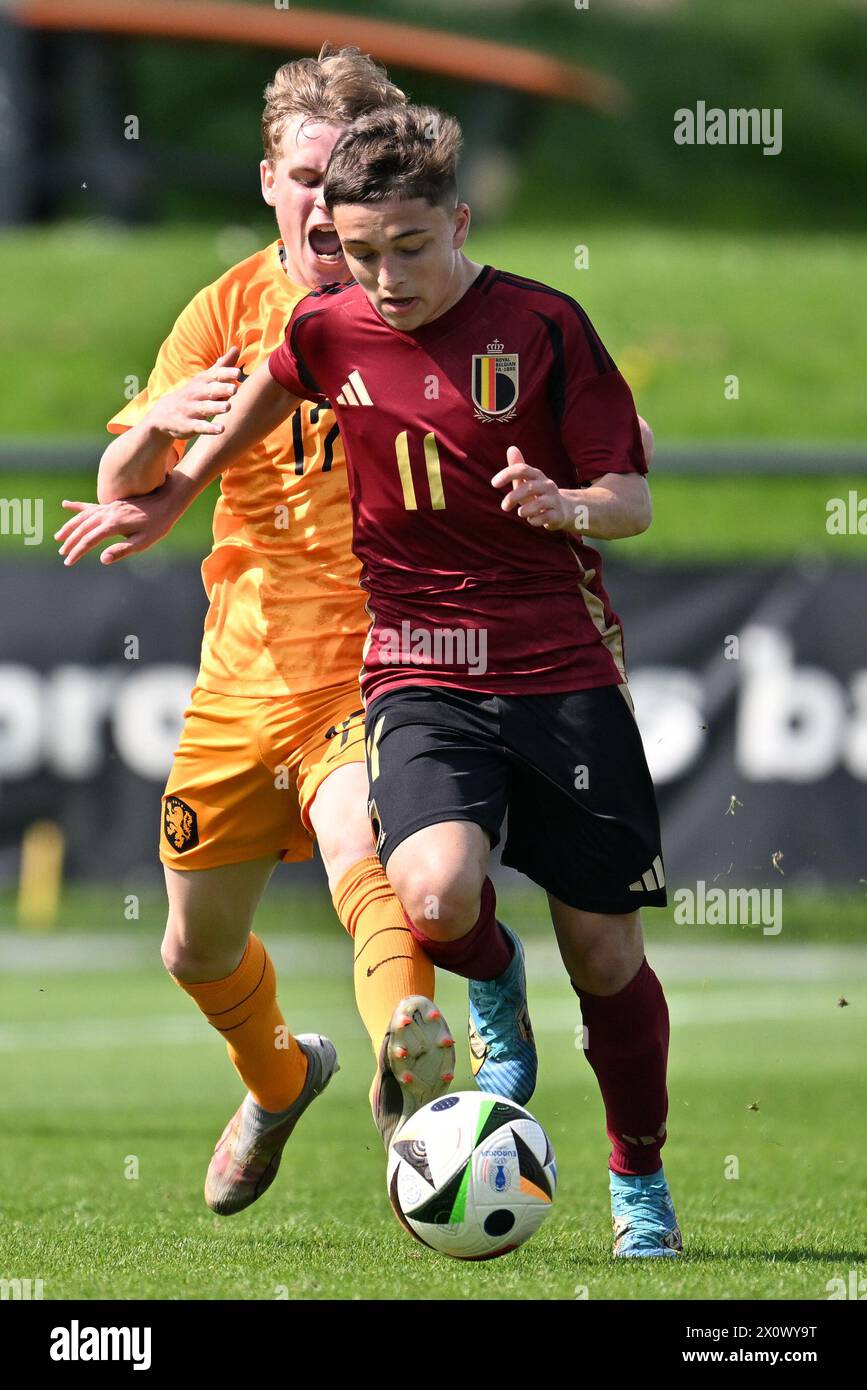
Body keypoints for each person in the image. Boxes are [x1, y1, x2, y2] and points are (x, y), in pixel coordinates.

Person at [58, 102, 676, 1257]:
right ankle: (448, 1011)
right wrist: (171, 489)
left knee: (595, 950)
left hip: (534, 664)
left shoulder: (542, 325)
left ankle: (623, 1171)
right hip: (373, 668)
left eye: (407, 247)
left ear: (458, 221)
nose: (382, 277)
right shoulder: (310, 322)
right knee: (390, 904)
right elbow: (257, 392)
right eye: (357, 246)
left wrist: (571, 502)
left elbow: (630, 491)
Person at [57, 47, 463, 1221]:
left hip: (378, 659)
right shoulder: (225, 310)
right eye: (303, 176)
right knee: (194, 949)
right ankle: (282, 1080)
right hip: (242, 671)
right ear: (271, 182)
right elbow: (123, 480)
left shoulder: (415, 302)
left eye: (345, 176)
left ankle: (412, 1076)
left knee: (361, 852)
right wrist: (158, 425)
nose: (323, 202)